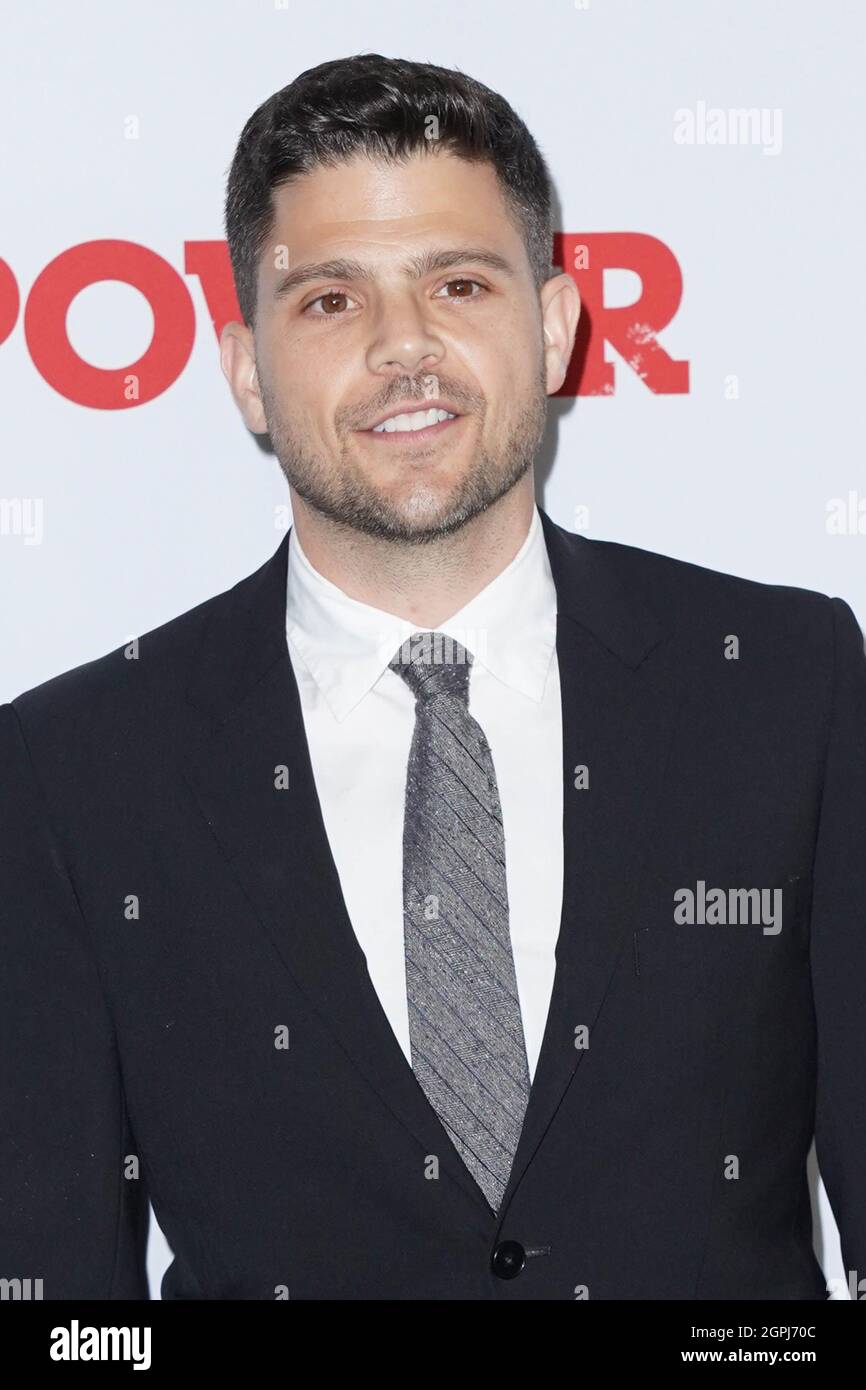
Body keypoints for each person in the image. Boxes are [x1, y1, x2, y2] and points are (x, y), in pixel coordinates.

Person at [2, 53, 864, 1301]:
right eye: (331, 302)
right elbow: (56, 1300)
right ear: (246, 370)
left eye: (457, 283)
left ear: (556, 325)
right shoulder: (72, 767)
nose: (406, 348)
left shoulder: (787, 686)